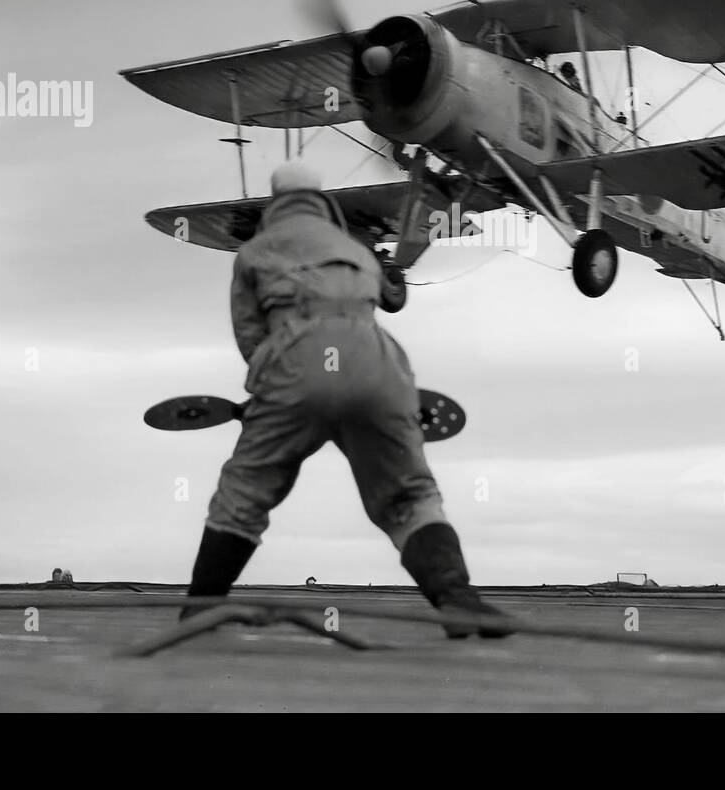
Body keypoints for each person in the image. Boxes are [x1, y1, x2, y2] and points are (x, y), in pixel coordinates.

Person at [181, 162, 510, 639]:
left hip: (296, 363)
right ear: (323, 201)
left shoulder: (254, 252)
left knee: (246, 491)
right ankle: (458, 600)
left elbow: (252, 340)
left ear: (274, 203)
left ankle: (200, 611)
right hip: (377, 363)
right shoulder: (354, 249)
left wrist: (267, 399)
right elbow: (387, 300)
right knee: (409, 494)